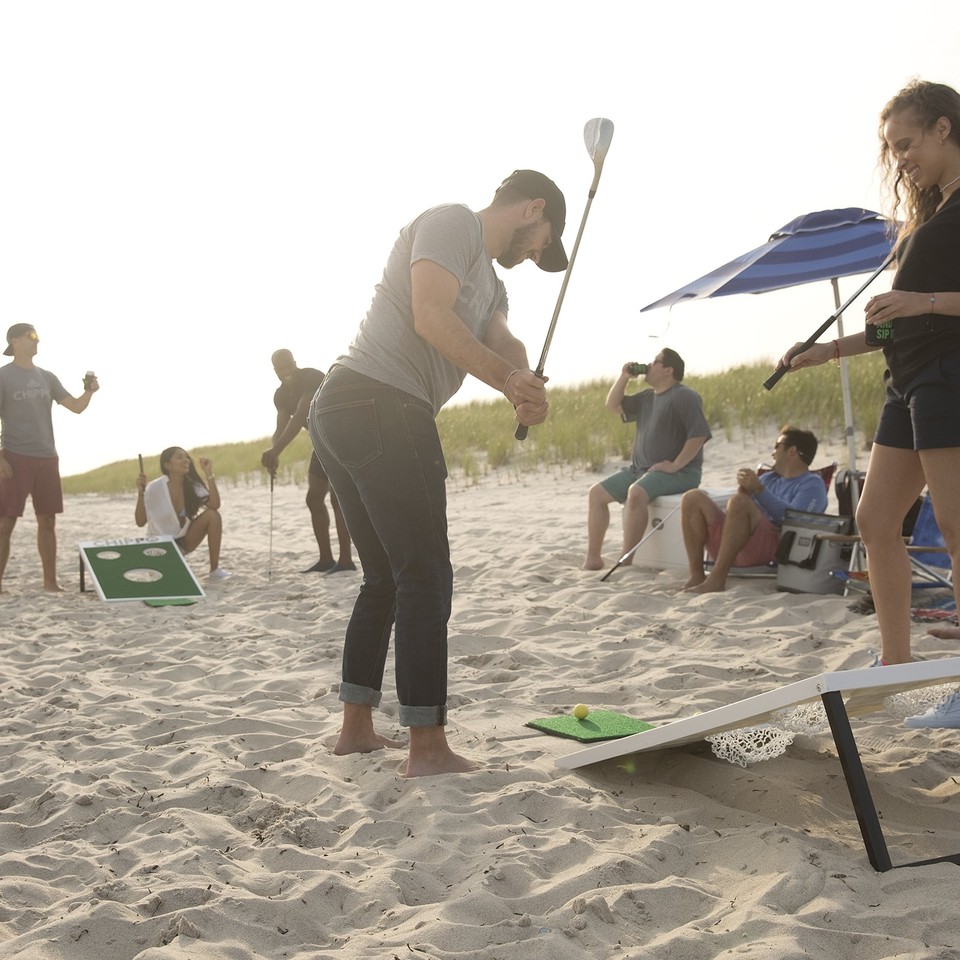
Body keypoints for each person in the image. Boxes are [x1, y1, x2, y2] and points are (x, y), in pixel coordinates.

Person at [308, 169, 564, 777]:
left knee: (385, 578)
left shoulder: (493, 285)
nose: (536, 256)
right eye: (542, 243)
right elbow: (430, 315)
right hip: (380, 400)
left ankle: (356, 731)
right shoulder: (453, 223)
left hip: (351, 409)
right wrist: (506, 380)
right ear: (532, 209)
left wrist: (524, 385)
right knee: (426, 575)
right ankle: (427, 748)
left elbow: (504, 342)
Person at [780, 79, 960, 727]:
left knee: (957, 528)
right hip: (905, 380)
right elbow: (896, 325)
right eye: (893, 149)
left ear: (944, 128)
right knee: (876, 520)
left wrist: (921, 301)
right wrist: (827, 350)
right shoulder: (930, 215)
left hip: (948, 376)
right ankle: (896, 664)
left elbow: (922, 309)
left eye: (907, 144)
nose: (901, 159)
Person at [582, 349, 711, 571]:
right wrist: (624, 377)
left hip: (681, 473)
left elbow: (698, 435)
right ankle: (593, 559)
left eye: (655, 362)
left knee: (636, 492)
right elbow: (612, 405)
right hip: (640, 470)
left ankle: (626, 560)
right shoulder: (646, 397)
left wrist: (676, 465)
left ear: (668, 370)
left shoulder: (685, 396)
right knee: (597, 494)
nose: (649, 365)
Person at [0, 323, 99, 593]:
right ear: (14, 341)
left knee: (48, 521)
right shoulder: (3, 376)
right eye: (31, 336)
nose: (37, 340)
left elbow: (76, 407)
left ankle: (50, 583)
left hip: (47, 457)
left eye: (37, 336)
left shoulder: (47, 377)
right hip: (14, 456)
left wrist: (89, 392)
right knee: (5, 522)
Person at [680, 426, 828, 593]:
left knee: (739, 502)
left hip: (774, 547)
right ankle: (697, 575)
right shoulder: (768, 478)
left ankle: (717, 579)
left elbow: (797, 520)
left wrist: (759, 490)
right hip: (737, 542)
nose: (773, 453)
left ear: (792, 451)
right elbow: (740, 510)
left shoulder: (812, 483)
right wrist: (744, 490)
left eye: (777, 446)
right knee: (692, 498)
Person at [261, 349, 354, 574]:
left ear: (295, 362)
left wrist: (277, 449)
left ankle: (345, 561)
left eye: (289, 365)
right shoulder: (280, 395)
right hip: (320, 443)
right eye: (281, 368)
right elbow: (281, 427)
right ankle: (325, 560)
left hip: (343, 438)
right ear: (275, 370)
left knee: (337, 499)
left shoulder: (311, 377)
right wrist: (274, 453)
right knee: (313, 499)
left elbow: (303, 412)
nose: (286, 371)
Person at [135, 446, 231, 580]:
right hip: (158, 546)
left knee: (213, 516)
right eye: (179, 457)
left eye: (186, 457)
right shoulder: (155, 487)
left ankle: (214, 570)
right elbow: (140, 522)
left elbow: (215, 505)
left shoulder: (192, 486)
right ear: (167, 465)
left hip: (181, 543)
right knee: (170, 579)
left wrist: (208, 473)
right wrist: (141, 493)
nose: (186, 460)